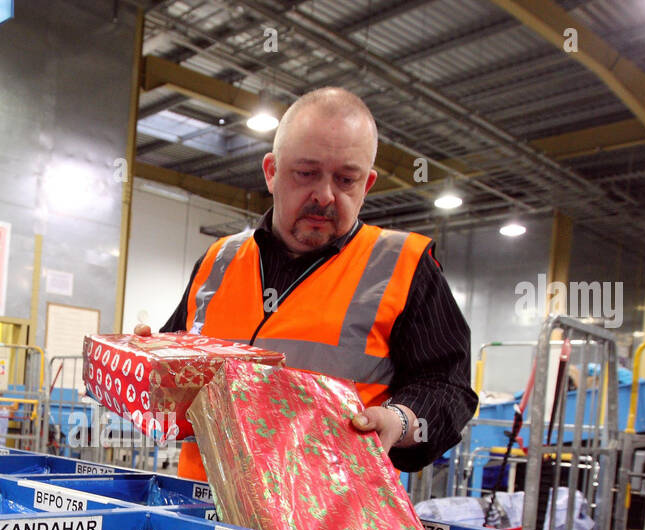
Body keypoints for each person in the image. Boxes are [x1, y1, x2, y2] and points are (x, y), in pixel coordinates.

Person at [135, 87, 477, 479]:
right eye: (306, 173)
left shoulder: (404, 267)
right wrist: (149, 359)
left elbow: (448, 387)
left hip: (327, 523)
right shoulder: (219, 261)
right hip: (202, 513)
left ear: (367, 186)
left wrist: (399, 421)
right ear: (271, 172)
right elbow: (176, 373)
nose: (325, 195)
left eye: (346, 179)